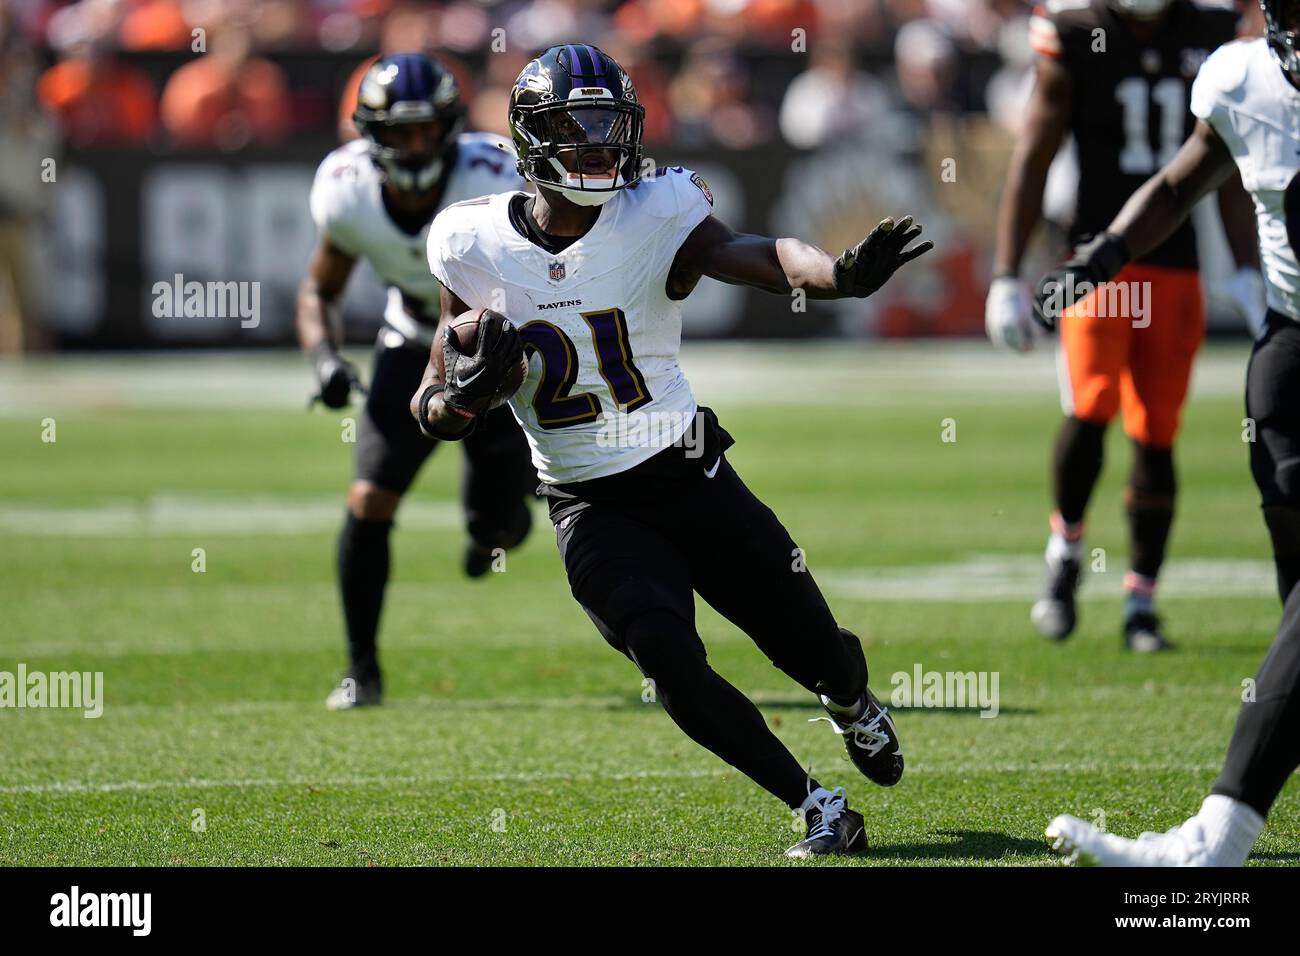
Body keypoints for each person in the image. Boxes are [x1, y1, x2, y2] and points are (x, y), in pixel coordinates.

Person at [414, 44, 932, 857]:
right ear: (528, 139)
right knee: (665, 657)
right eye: (574, 127)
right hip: (586, 497)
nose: (596, 146)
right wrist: (463, 399)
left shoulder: (655, 212)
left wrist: (834, 275)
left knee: (808, 645)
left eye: (608, 126)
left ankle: (852, 700)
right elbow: (430, 400)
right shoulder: (470, 242)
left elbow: (756, 255)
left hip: (687, 467)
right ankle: (815, 805)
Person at [1041, 0, 1300, 865]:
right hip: (1291, 360)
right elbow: (1186, 180)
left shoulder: (1239, 66)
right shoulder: (1241, 74)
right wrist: (1103, 258)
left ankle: (1219, 835)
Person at [986, 0, 1260, 652]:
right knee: (1093, 405)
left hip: (1174, 264)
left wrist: (1247, 269)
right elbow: (1036, 152)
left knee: (1157, 432)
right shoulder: (1076, 34)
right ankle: (1067, 551)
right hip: (1093, 261)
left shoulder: (1212, 32)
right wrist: (1006, 273)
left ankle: (1142, 600)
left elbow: (1223, 167)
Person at [299, 53, 535, 710]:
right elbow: (319, 290)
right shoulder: (346, 190)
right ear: (370, 134)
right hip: (410, 338)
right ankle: (360, 670)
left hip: (491, 341)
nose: (415, 144)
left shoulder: (493, 172)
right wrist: (324, 358)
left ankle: (498, 521)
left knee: (500, 528)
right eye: (399, 131)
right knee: (370, 499)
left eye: (427, 129)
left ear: (450, 128)